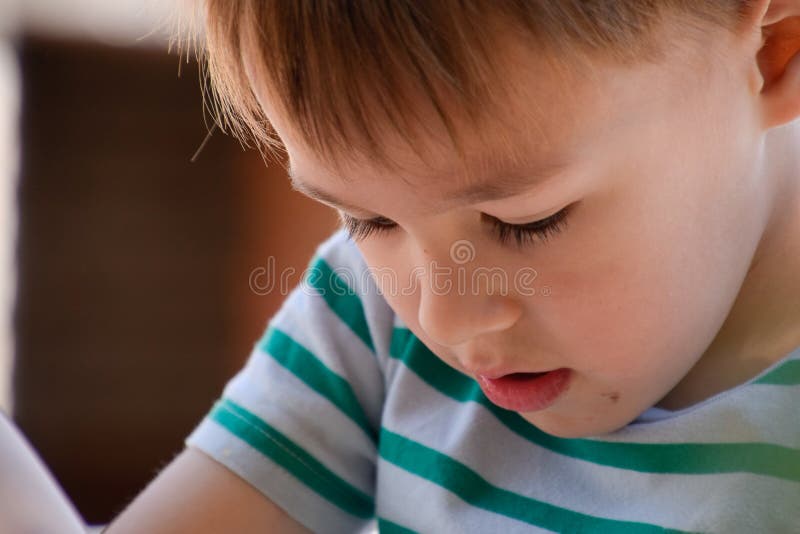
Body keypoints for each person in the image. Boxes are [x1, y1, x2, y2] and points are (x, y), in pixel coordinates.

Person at [108, 1, 800, 532]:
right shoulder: (365, 312)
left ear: (774, 53)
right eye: (368, 221)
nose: (442, 317)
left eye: (524, 222)